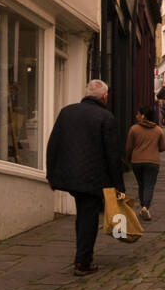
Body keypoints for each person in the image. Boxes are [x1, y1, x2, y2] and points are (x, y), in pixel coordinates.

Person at [45, 79, 125, 276]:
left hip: (70, 175)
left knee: (83, 215)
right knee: (88, 218)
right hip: (93, 179)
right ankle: (83, 262)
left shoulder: (67, 112)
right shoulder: (106, 117)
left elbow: (53, 144)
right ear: (105, 96)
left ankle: (82, 255)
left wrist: (51, 174)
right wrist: (118, 185)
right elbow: (112, 155)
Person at [125, 104, 165, 220]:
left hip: (137, 161)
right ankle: (145, 207)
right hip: (153, 162)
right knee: (149, 185)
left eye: (138, 114)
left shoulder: (134, 129)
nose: (136, 116)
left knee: (141, 185)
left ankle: (143, 205)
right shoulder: (158, 130)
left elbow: (128, 147)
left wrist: (128, 158)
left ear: (143, 116)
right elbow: (162, 147)